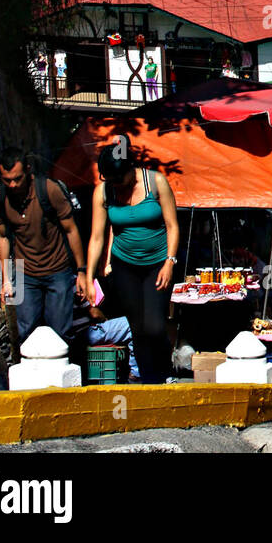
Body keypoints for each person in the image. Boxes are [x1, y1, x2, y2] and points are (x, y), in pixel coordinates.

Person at [87, 136, 180, 384]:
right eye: (111, 181)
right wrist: (88, 276)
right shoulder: (104, 192)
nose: (117, 185)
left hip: (157, 263)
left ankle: (164, 371)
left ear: (131, 168)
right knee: (136, 328)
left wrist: (170, 262)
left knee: (155, 325)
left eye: (121, 179)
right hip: (124, 265)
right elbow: (97, 237)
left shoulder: (156, 181)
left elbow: (172, 226)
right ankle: (149, 380)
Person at [0, 146, 89, 344]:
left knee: (60, 333)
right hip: (25, 273)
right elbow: (2, 236)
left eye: (17, 179)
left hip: (57, 270)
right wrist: (6, 280)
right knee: (26, 333)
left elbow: (71, 229)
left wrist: (81, 271)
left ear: (27, 170)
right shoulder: (0, 198)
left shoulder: (49, 190)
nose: (12, 185)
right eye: (7, 180)